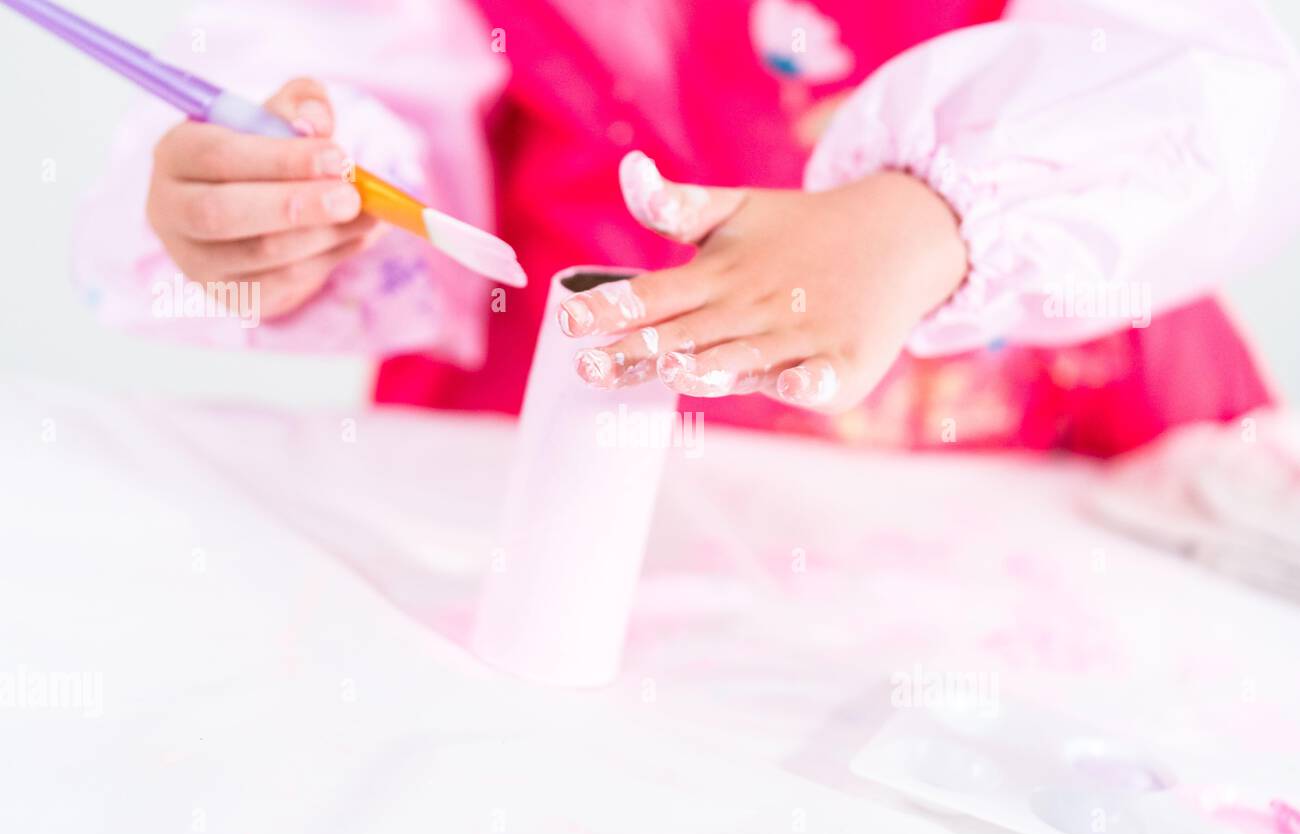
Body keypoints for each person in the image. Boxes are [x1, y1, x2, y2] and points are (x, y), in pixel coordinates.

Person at [77, 0, 1300, 455]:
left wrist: (934, 215)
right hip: (541, 488)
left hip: (1005, 509)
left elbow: (1229, 79)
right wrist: (296, 189)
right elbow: (355, 71)